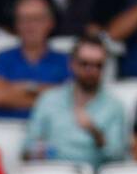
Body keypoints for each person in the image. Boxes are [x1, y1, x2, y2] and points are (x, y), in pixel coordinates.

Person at [22, 34, 126, 167]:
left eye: (98, 65)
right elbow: (26, 149)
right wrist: (37, 151)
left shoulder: (114, 106)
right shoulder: (49, 100)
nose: (91, 70)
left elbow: (118, 158)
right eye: (84, 64)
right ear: (72, 64)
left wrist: (96, 133)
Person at [0, 0, 69, 120]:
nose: (30, 26)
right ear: (16, 24)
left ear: (50, 23)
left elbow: (69, 101)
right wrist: (47, 95)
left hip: (50, 133)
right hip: (5, 131)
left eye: (36, 19)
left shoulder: (65, 61)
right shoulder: (2, 58)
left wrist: (24, 88)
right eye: (24, 19)